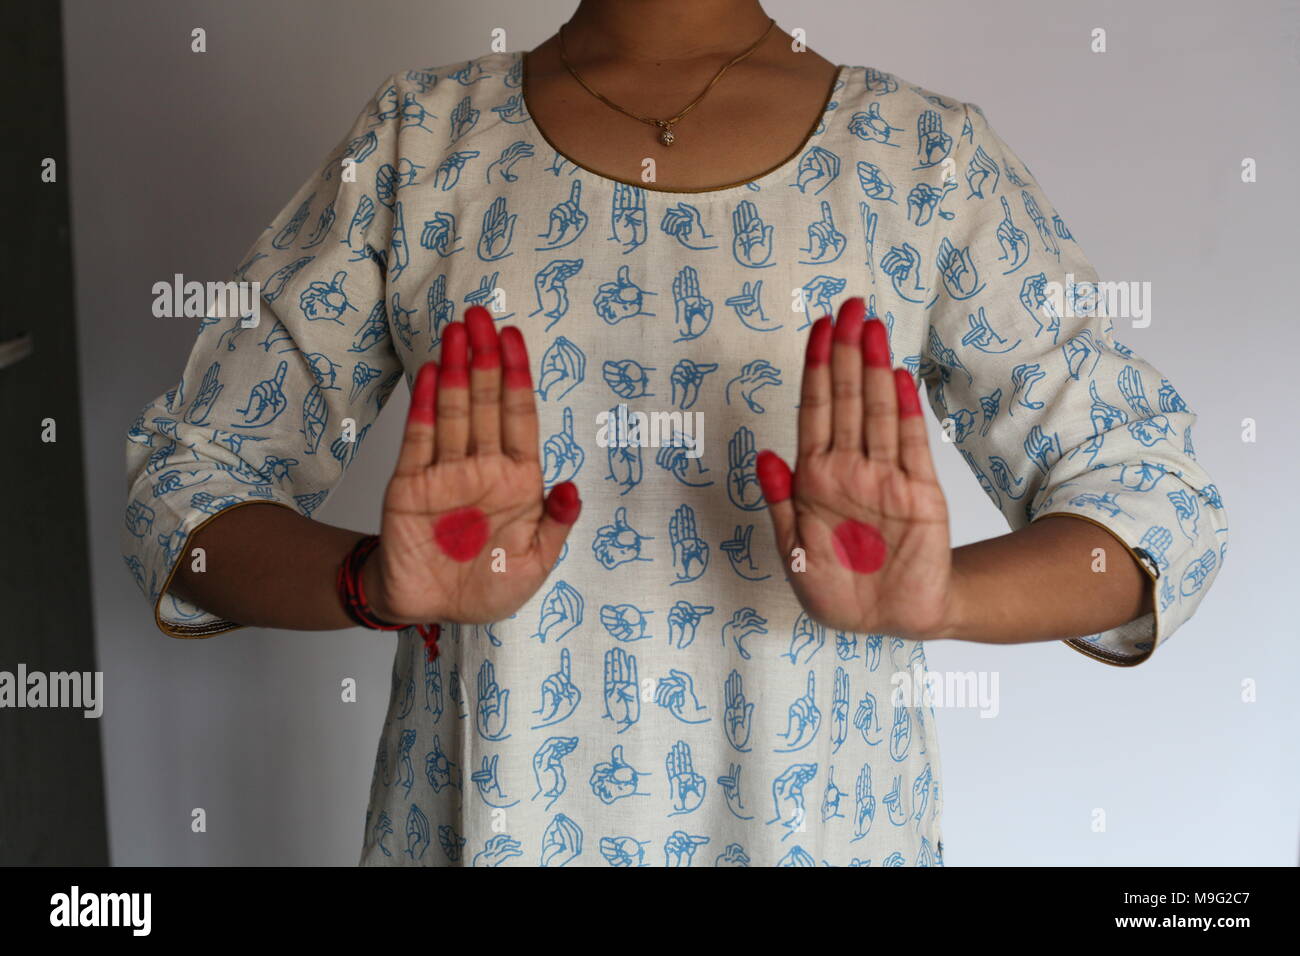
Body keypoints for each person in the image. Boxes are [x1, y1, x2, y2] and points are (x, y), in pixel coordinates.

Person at [122, 0, 1227, 867]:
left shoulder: (923, 162)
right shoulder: (423, 143)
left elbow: (1156, 505)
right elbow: (183, 491)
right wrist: (370, 579)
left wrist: (944, 599)